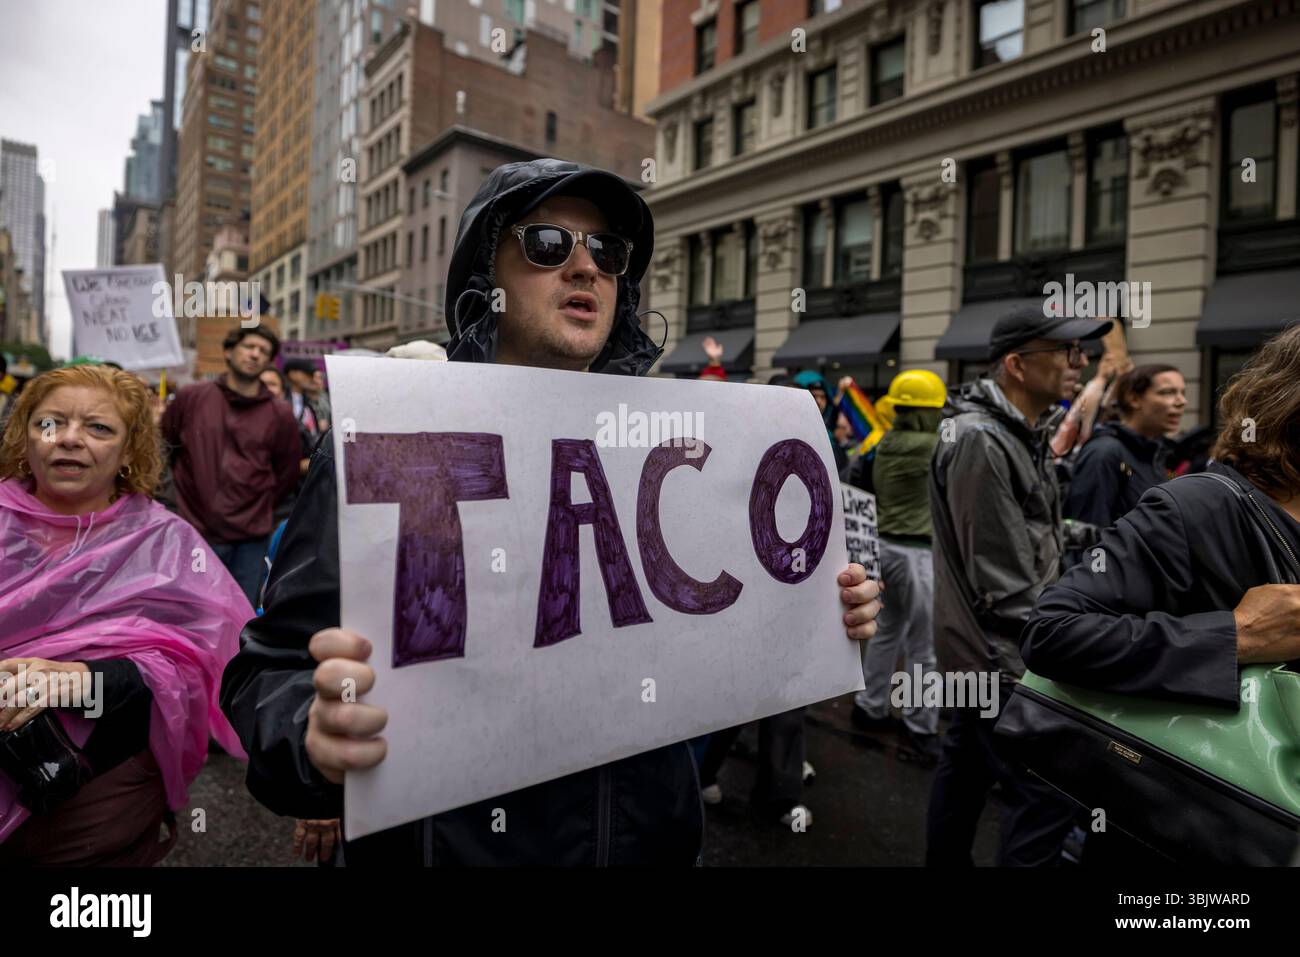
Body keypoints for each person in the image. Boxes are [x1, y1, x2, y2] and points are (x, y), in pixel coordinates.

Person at [221, 158, 883, 866]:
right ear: (488, 273)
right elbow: (268, 673)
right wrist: (313, 735)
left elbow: (714, 640)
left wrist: (813, 615)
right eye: (547, 244)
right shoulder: (390, 433)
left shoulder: (672, 445)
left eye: (607, 251)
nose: (585, 268)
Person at [1022, 324, 1300, 863]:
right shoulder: (1197, 504)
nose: (1177, 403)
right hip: (1201, 819)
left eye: (1182, 393)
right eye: (1165, 392)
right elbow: (1052, 631)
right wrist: (1234, 637)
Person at [0, 365, 247, 865]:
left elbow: (205, 671)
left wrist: (83, 680)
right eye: (49, 423)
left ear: (130, 449)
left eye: (98, 427)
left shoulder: (164, 543)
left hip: (97, 796)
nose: (68, 439)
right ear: (23, 437)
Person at [926, 306, 1109, 867]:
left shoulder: (1019, 431)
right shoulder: (982, 440)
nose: (1080, 363)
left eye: (1083, 352)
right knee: (1047, 791)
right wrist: (1082, 640)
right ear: (1017, 365)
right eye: (1067, 352)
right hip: (998, 655)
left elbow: (1035, 528)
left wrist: (1099, 538)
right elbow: (1003, 585)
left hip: (986, 651)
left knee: (965, 776)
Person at [161, 326, 302, 605]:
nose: (255, 354)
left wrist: (257, 506)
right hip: (193, 531)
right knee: (189, 613)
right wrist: (173, 505)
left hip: (250, 540)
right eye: (249, 346)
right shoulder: (192, 397)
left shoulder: (280, 414)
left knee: (239, 620)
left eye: (264, 351)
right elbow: (163, 447)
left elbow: (286, 472)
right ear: (228, 351)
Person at [851, 369, 946, 766]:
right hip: (918, 553)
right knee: (925, 647)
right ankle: (920, 727)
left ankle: (869, 705)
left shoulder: (882, 441)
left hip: (883, 547)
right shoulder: (937, 446)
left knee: (887, 632)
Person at [1063, 364, 1185, 528]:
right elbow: (1089, 533)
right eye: (1167, 392)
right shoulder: (1104, 452)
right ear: (1134, 399)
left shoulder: (1158, 453)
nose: (1181, 401)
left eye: (1183, 393)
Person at [283, 358, 330, 437]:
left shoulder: (308, 403)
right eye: (307, 374)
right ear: (292, 374)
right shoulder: (282, 401)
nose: (311, 378)